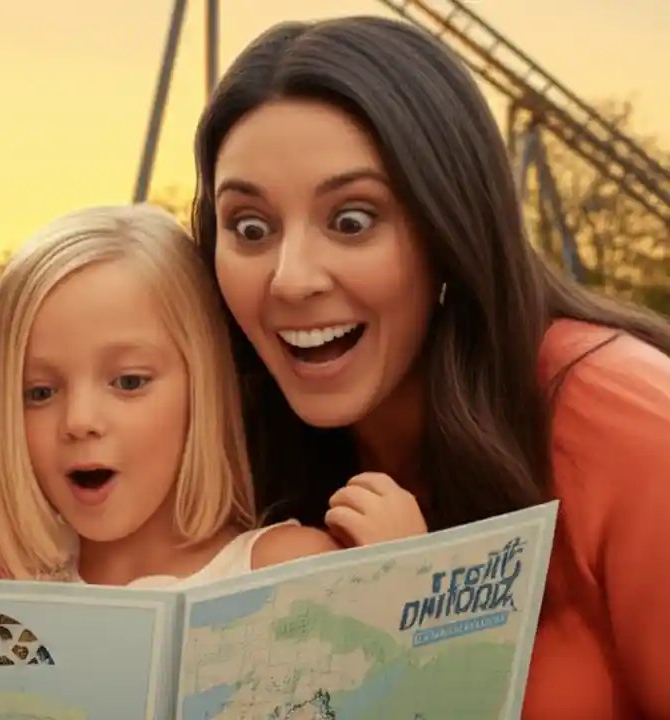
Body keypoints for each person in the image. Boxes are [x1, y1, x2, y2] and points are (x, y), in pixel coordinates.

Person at [192, 16, 670, 718]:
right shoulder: (235, 439)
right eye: (251, 228)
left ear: (449, 227)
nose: (290, 279)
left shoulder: (627, 423)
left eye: (352, 221)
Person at [0, 204, 421, 586]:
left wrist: (410, 581)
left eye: (129, 382)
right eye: (40, 392)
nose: (79, 420)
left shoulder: (286, 568)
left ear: (203, 387)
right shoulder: (6, 596)